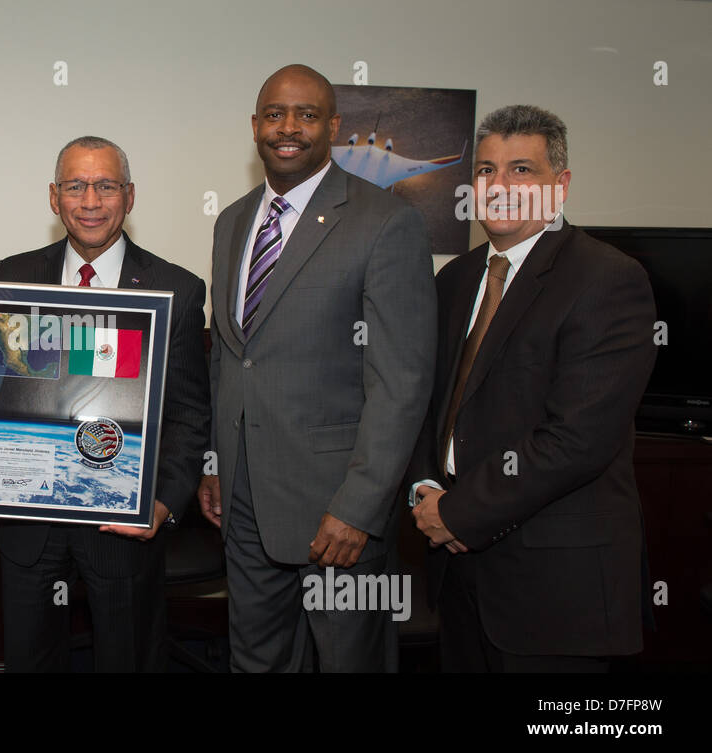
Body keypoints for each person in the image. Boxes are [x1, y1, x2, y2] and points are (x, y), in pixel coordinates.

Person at [197, 65, 436, 672]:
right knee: (255, 659)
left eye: (307, 115)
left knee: (346, 662)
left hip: (335, 507)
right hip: (244, 502)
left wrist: (358, 505)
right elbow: (231, 357)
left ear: (332, 126)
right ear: (254, 126)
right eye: (275, 113)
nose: (289, 128)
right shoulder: (232, 221)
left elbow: (401, 382)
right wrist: (215, 465)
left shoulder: (385, 222)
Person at [407, 105, 657, 672]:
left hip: (554, 587)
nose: (498, 186)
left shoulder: (607, 279)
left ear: (560, 185)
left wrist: (462, 512)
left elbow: (578, 440)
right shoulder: (457, 278)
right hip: (458, 571)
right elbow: (433, 405)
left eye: (521, 170)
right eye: (487, 170)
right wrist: (425, 488)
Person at [0, 136, 210, 671]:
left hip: (124, 528)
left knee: (128, 658)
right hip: (29, 523)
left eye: (106, 185)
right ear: (53, 196)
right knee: (29, 658)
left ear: (129, 196)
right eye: (75, 185)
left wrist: (162, 502)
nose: (90, 200)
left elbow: (188, 412)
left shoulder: (176, 289)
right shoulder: (11, 276)